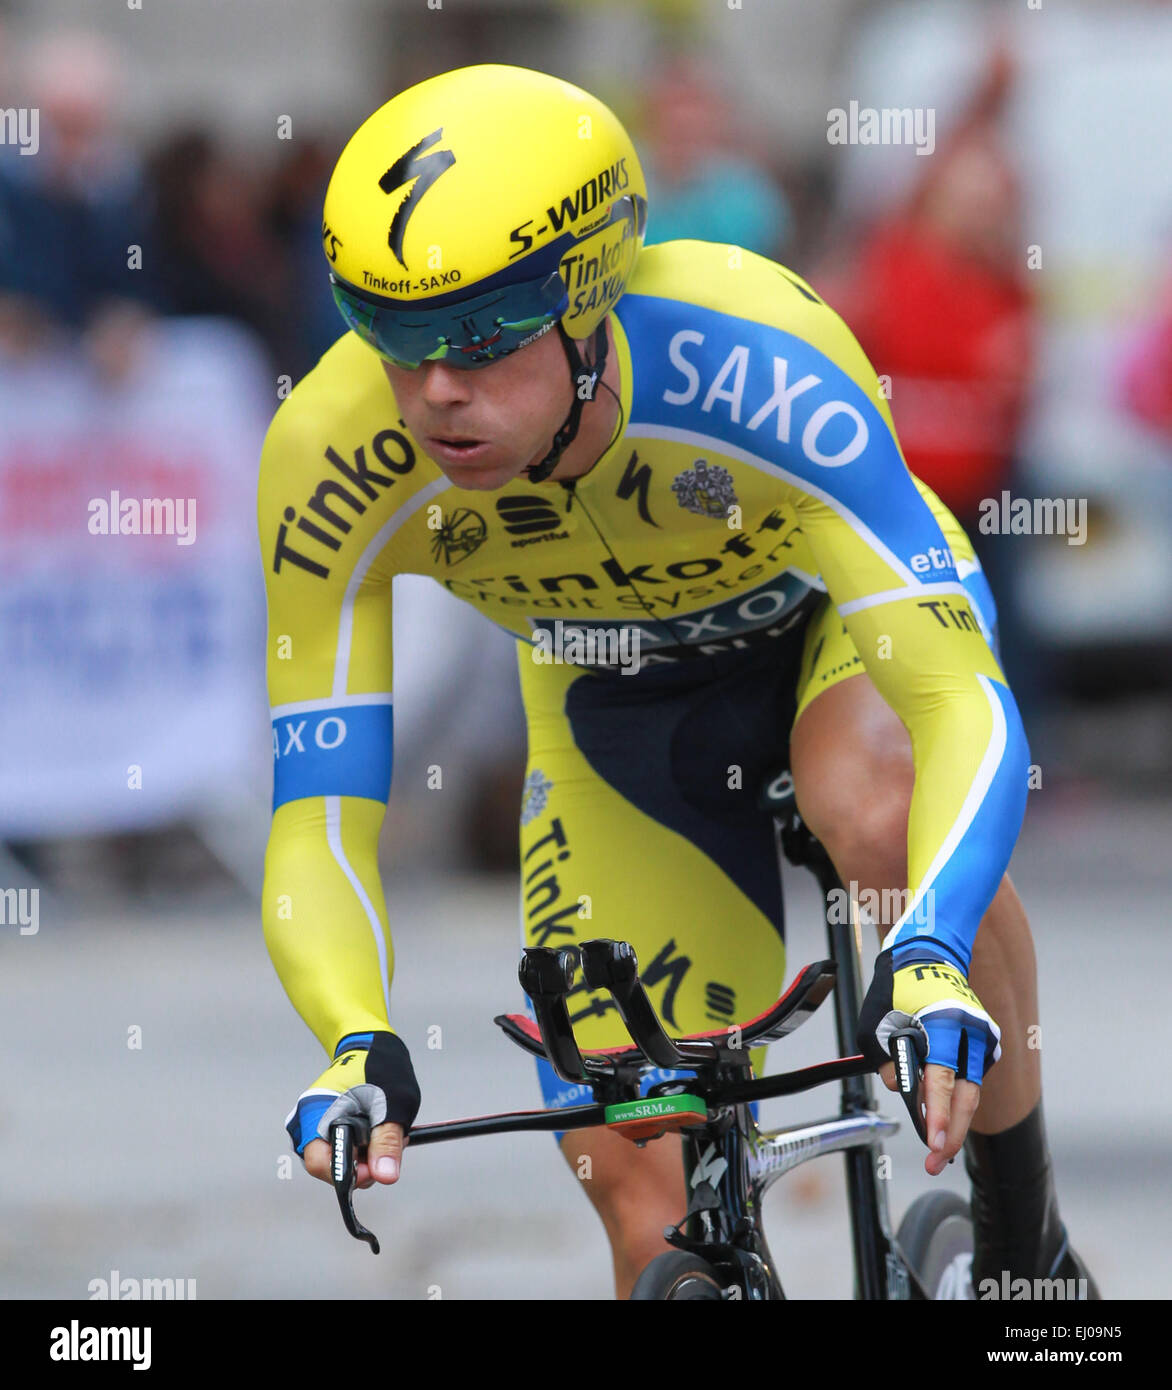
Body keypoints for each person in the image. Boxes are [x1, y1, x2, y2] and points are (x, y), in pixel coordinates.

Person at [258, 65, 1095, 1299]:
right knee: (648, 1207)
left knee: (874, 809)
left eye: (480, 339)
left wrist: (924, 948)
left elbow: (955, 696)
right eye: (388, 336)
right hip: (611, 696)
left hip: (830, 638)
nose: (434, 387)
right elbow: (318, 815)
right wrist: (350, 1036)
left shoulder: (759, 362)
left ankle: (1023, 1246)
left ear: (587, 297)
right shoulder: (328, 457)